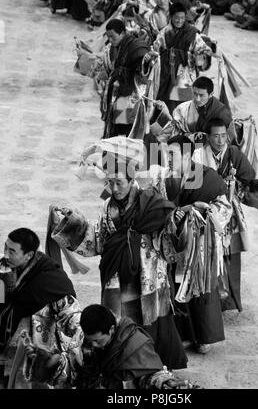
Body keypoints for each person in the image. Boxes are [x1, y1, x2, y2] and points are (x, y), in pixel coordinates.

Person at [48, 144, 188, 371]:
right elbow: (98, 240)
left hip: (148, 277)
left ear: (132, 180)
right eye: (110, 182)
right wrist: (71, 221)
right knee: (119, 326)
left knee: (151, 324)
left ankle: (155, 369)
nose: (114, 188)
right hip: (116, 280)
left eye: (119, 183)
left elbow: (168, 239)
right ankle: (124, 367)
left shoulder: (150, 202)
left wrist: (179, 223)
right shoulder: (107, 206)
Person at [151, 135, 232, 353]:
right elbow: (158, 206)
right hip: (174, 240)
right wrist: (176, 215)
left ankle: (204, 336)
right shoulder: (163, 177)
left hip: (200, 243)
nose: (167, 158)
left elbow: (225, 208)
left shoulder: (206, 176)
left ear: (187, 155)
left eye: (172, 154)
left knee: (200, 289)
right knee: (174, 285)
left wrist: (203, 211)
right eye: (166, 153)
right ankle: (182, 333)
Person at [199, 118, 258, 312]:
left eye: (224, 136)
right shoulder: (198, 155)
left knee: (231, 256)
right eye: (216, 136)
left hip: (229, 214)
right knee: (207, 255)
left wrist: (257, 184)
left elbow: (248, 179)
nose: (221, 140)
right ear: (208, 137)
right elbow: (192, 184)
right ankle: (211, 302)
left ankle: (230, 299)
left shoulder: (233, 154)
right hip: (206, 212)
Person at [0, 228, 83, 389]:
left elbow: (72, 317)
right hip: (4, 351)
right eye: (5, 248)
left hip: (33, 356)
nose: (6, 255)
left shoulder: (51, 280)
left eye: (12, 251)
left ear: (29, 255)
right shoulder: (3, 270)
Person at [75, 305, 194, 389]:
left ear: (111, 329)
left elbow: (148, 373)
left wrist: (164, 382)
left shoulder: (136, 343)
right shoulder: (90, 338)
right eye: (90, 340)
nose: (93, 345)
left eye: (97, 341)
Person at [151, 3, 213, 114]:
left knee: (184, 101)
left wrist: (203, 52)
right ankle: (168, 123)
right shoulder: (164, 32)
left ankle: (184, 123)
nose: (179, 21)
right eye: (176, 18)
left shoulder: (192, 33)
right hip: (167, 72)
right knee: (168, 100)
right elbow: (156, 49)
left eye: (182, 18)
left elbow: (201, 47)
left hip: (184, 72)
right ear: (171, 17)